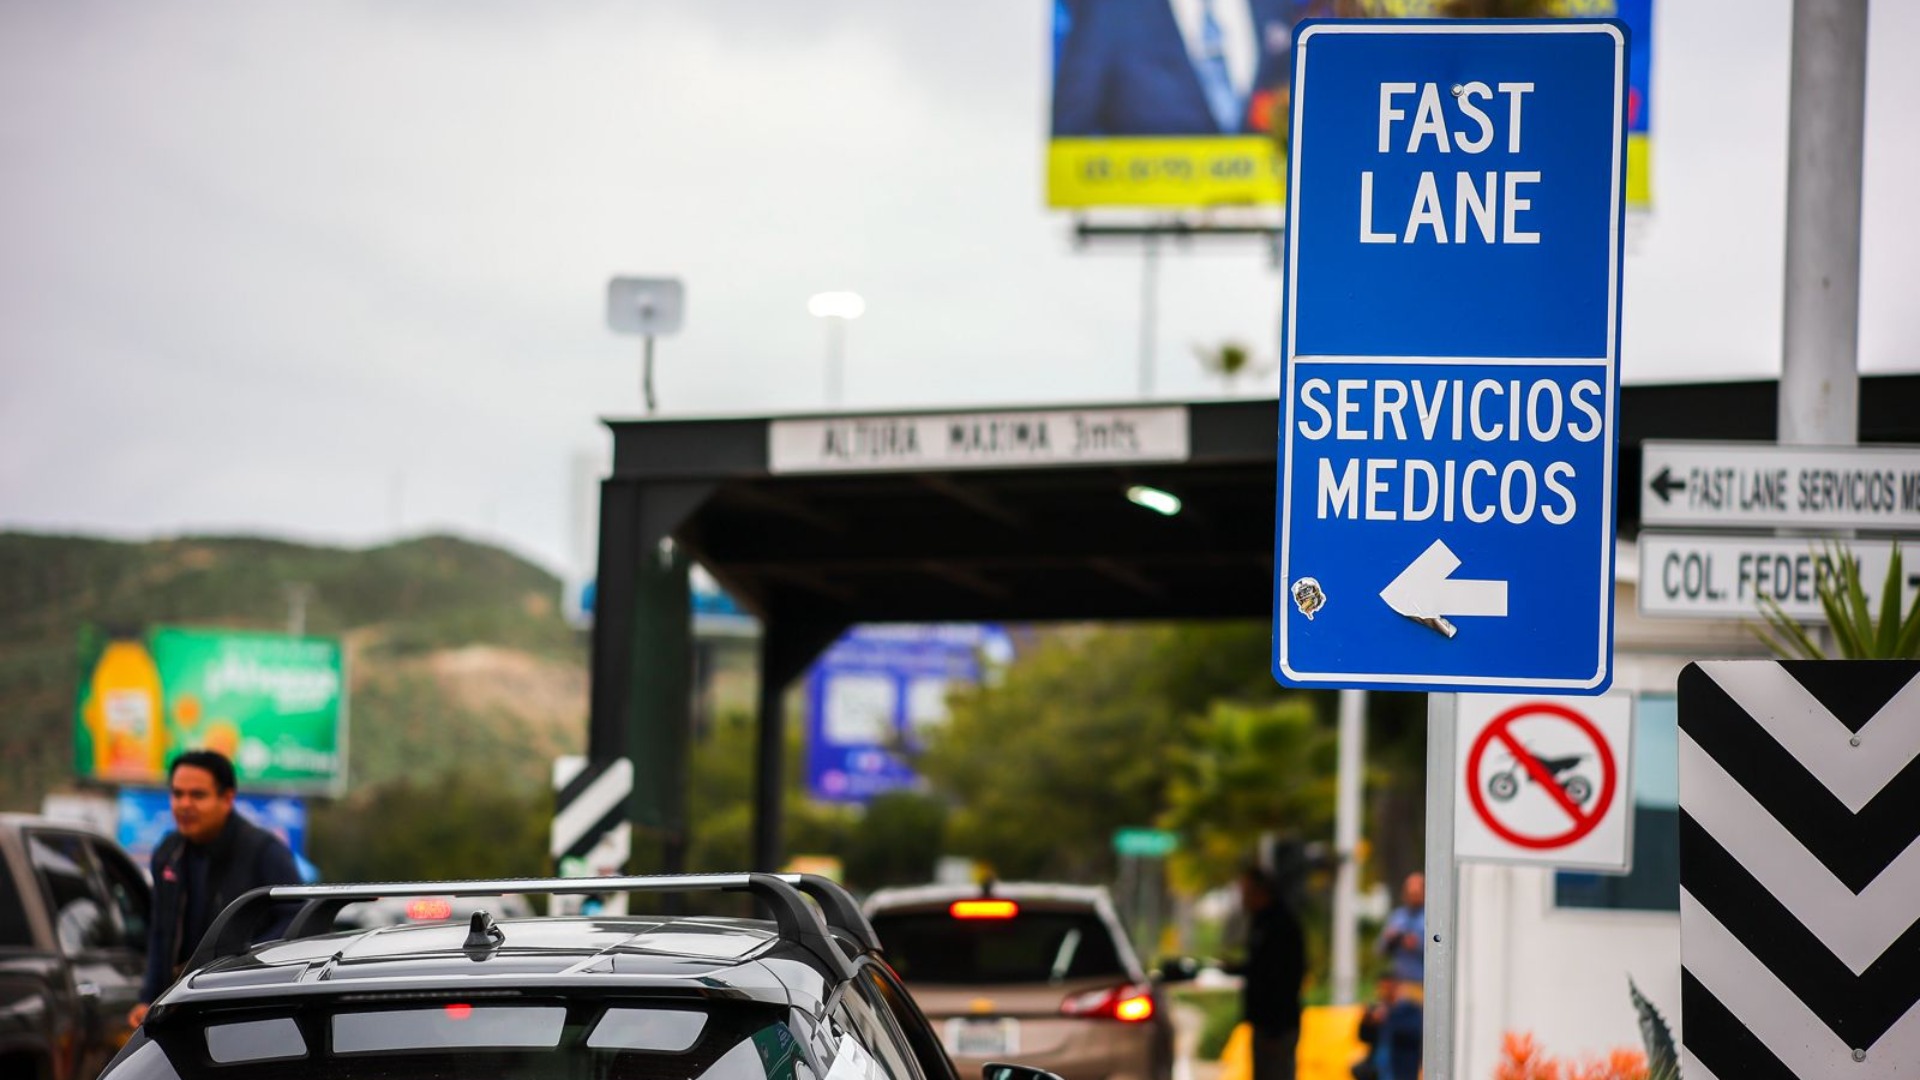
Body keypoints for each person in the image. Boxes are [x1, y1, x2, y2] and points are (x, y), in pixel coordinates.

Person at [128, 750, 301, 1027]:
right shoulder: (168, 853)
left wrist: (242, 963)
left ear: (227, 798)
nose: (184, 804)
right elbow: (161, 933)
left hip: (247, 1009)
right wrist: (148, 998)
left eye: (197, 795)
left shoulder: (264, 852)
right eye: (177, 794)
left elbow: (298, 920)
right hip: (182, 1005)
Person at [1050, 0, 1304, 137]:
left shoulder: (1279, 8)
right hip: (1145, 205)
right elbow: (1072, 125)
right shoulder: (1111, 8)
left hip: (1269, 205)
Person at [1236, 865, 1306, 1080]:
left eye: (1246, 891)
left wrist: (1275, 1029)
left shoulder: (1280, 925)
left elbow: (1284, 977)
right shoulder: (1261, 922)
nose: (1243, 898)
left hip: (1277, 1026)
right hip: (1266, 1024)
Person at [1374, 873, 1426, 1080]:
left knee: (1416, 1051)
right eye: (1409, 892)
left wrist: (1417, 944)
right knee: (1391, 1051)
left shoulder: (1430, 917)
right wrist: (1391, 939)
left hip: (1421, 995)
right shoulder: (1398, 917)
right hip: (1397, 994)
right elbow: (1379, 950)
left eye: (1417, 892)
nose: (1413, 896)